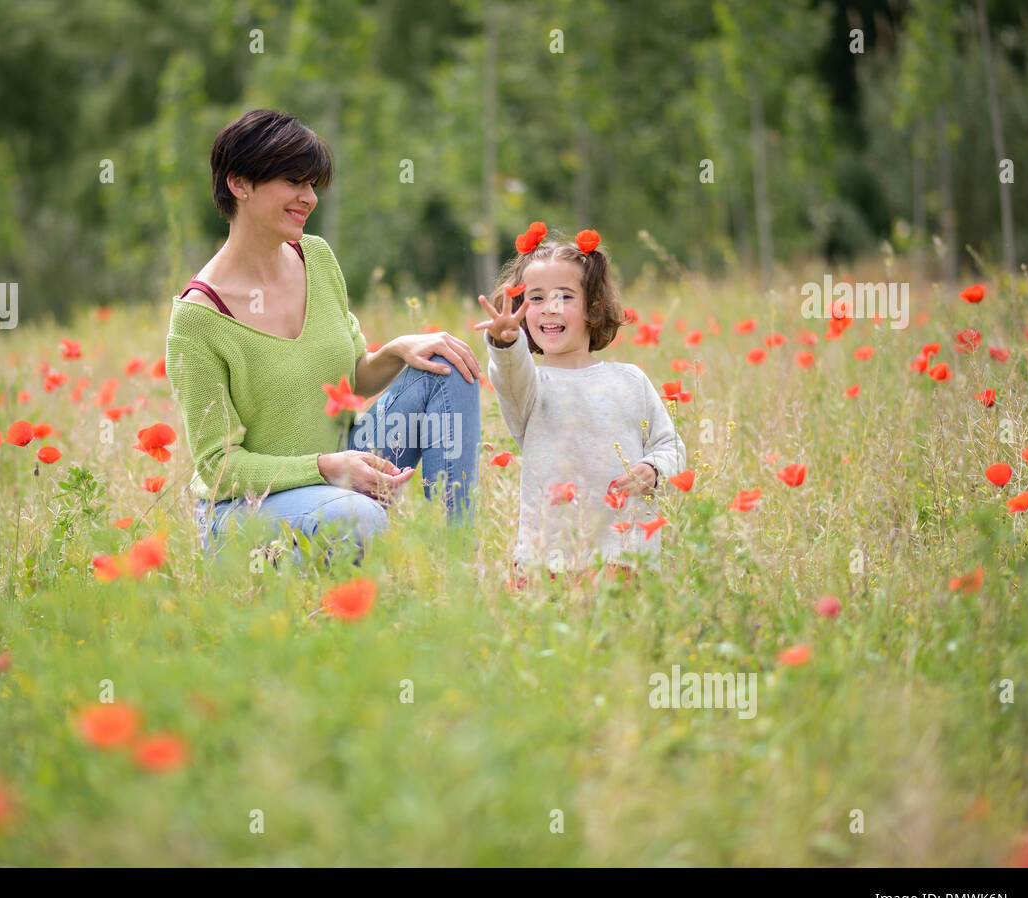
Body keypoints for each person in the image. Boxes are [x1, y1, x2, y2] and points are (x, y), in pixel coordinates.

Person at [164, 109, 482, 565]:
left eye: (313, 184)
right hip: (248, 507)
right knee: (358, 519)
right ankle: (263, 567)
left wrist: (396, 350)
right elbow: (218, 468)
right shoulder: (199, 319)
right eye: (294, 181)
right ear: (240, 184)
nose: (309, 197)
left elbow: (353, 379)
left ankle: (456, 566)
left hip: (341, 467)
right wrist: (323, 468)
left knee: (446, 365)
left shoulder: (316, 257)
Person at [472, 222, 687, 589]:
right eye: (535, 298)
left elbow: (670, 446)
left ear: (594, 307)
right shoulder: (531, 387)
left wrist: (653, 469)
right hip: (548, 560)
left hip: (623, 554)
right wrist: (504, 342)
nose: (549, 309)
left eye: (565, 296)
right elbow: (509, 373)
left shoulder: (630, 380)